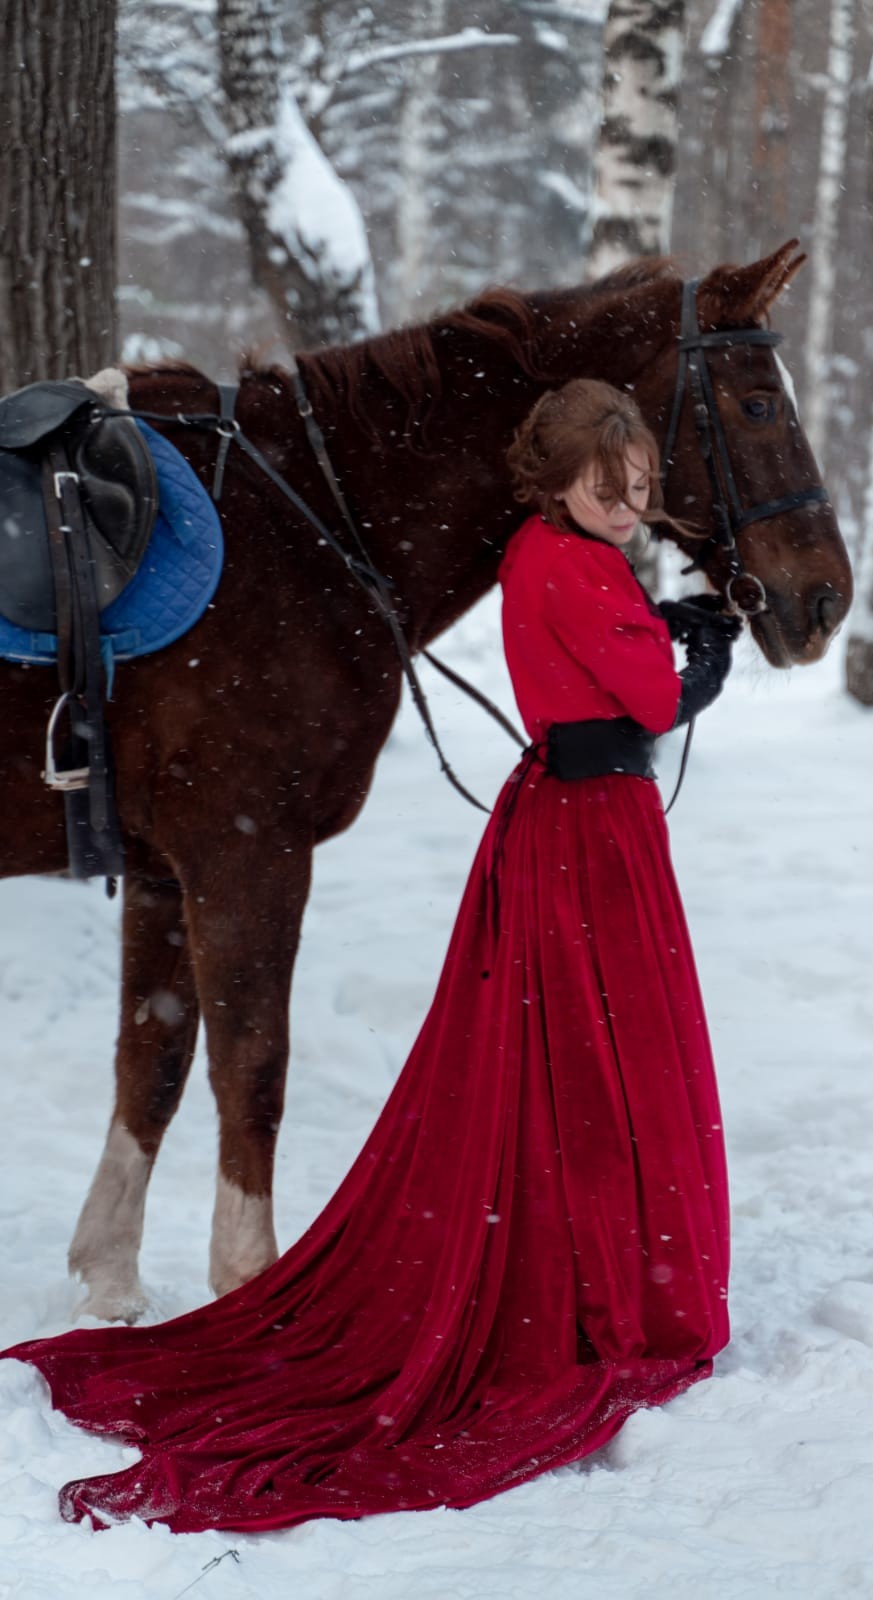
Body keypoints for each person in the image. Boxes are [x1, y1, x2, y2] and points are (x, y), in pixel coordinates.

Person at [1, 378, 739, 1534]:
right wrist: (699, 652)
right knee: (605, 1043)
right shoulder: (579, 569)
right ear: (551, 487)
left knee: (561, 1038)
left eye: (642, 490)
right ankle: (597, 1261)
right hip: (592, 825)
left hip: (563, 818)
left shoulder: (535, 562)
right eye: (612, 490)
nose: (632, 509)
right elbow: (645, 691)